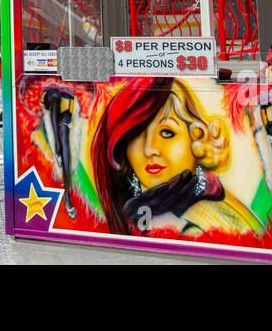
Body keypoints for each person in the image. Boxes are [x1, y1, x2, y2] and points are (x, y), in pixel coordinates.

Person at [90, 78, 259, 237]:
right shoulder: (138, 206)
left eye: (167, 132)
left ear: (196, 138)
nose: (150, 150)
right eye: (137, 134)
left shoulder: (202, 226)